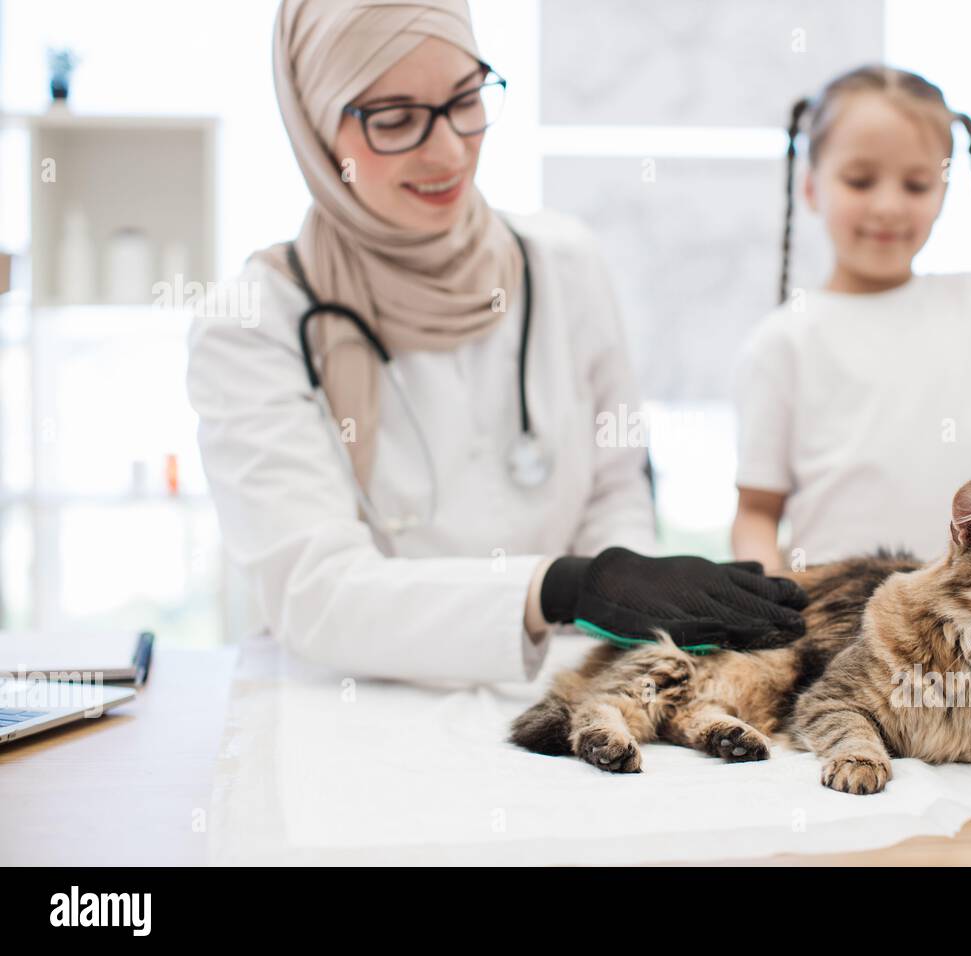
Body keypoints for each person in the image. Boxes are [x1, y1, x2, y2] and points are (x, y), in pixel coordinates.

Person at [187, 0, 807, 686]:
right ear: (312, 124)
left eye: (466, 100)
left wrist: (630, 600)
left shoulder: (564, 264)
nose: (450, 150)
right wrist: (562, 587)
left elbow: (614, 489)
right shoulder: (252, 325)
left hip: (565, 686)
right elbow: (317, 595)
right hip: (351, 711)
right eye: (395, 120)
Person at [731, 65, 971, 570]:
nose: (889, 206)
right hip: (837, 624)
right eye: (860, 181)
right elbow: (756, 514)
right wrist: (776, 609)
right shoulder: (782, 342)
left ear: (944, 192)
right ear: (810, 188)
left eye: (915, 185)